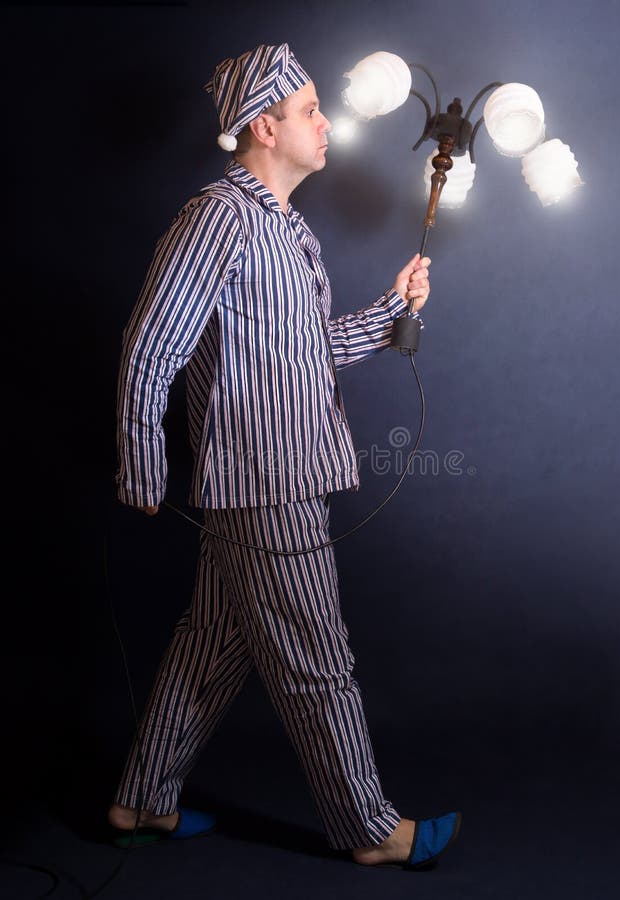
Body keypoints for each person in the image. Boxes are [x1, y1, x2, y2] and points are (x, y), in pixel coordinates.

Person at [108, 42, 460, 870]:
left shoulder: (282, 226)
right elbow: (150, 345)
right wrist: (142, 464)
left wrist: (390, 308)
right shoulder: (218, 218)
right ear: (263, 127)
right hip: (266, 482)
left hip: (281, 474)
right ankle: (370, 829)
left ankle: (140, 803)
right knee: (316, 659)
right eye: (307, 109)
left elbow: (303, 351)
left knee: (212, 643)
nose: (322, 121)